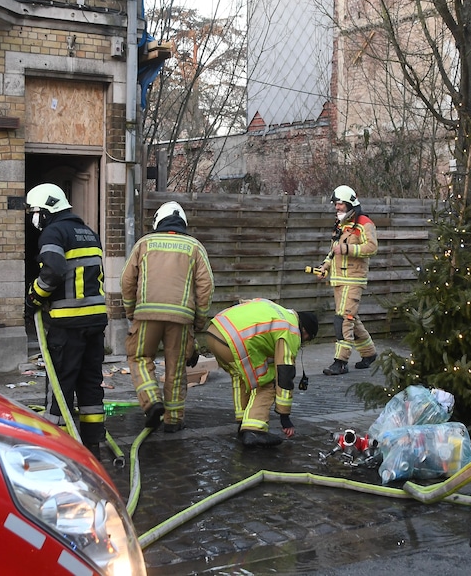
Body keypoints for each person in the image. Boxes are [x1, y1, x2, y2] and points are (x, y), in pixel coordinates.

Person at [24, 183, 109, 457]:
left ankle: (56, 442)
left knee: (60, 384)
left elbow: (54, 270)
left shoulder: (54, 232)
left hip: (68, 323)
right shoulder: (88, 231)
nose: (33, 217)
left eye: (35, 211)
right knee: (90, 382)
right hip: (95, 321)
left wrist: (34, 297)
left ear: (47, 209)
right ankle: (93, 442)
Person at [121, 201, 215, 433]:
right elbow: (206, 287)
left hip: (146, 314)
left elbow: (126, 280)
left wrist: (131, 311)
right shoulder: (195, 247)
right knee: (177, 367)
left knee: (140, 357)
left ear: (157, 221)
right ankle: (173, 420)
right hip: (181, 319)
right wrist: (199, 321)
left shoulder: (144, 243)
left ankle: (152, 401)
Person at [201, 298, 319, 447]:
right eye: (306, 339)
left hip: (215, 331)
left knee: (241, 376)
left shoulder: (273, 308)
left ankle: (243, 420)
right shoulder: (291, 330)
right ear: (305, 331)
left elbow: (242, 303)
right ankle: (253, 430)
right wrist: (285, 416)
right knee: (266, 382)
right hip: (234, 341)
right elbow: (285, 371)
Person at [313, 185, 378, 376]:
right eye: (335, 204)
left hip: (354, 279)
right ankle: (369, 353)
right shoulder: (341, 224)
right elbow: (334, 250)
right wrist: (324, 267)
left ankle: (340, 361)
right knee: (351, 318)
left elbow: (372, 248)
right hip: (338, 280)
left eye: (340, 203)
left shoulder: (365, 223)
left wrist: (348, 250)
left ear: (350, 203)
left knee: (343, 319)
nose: (337, 207)